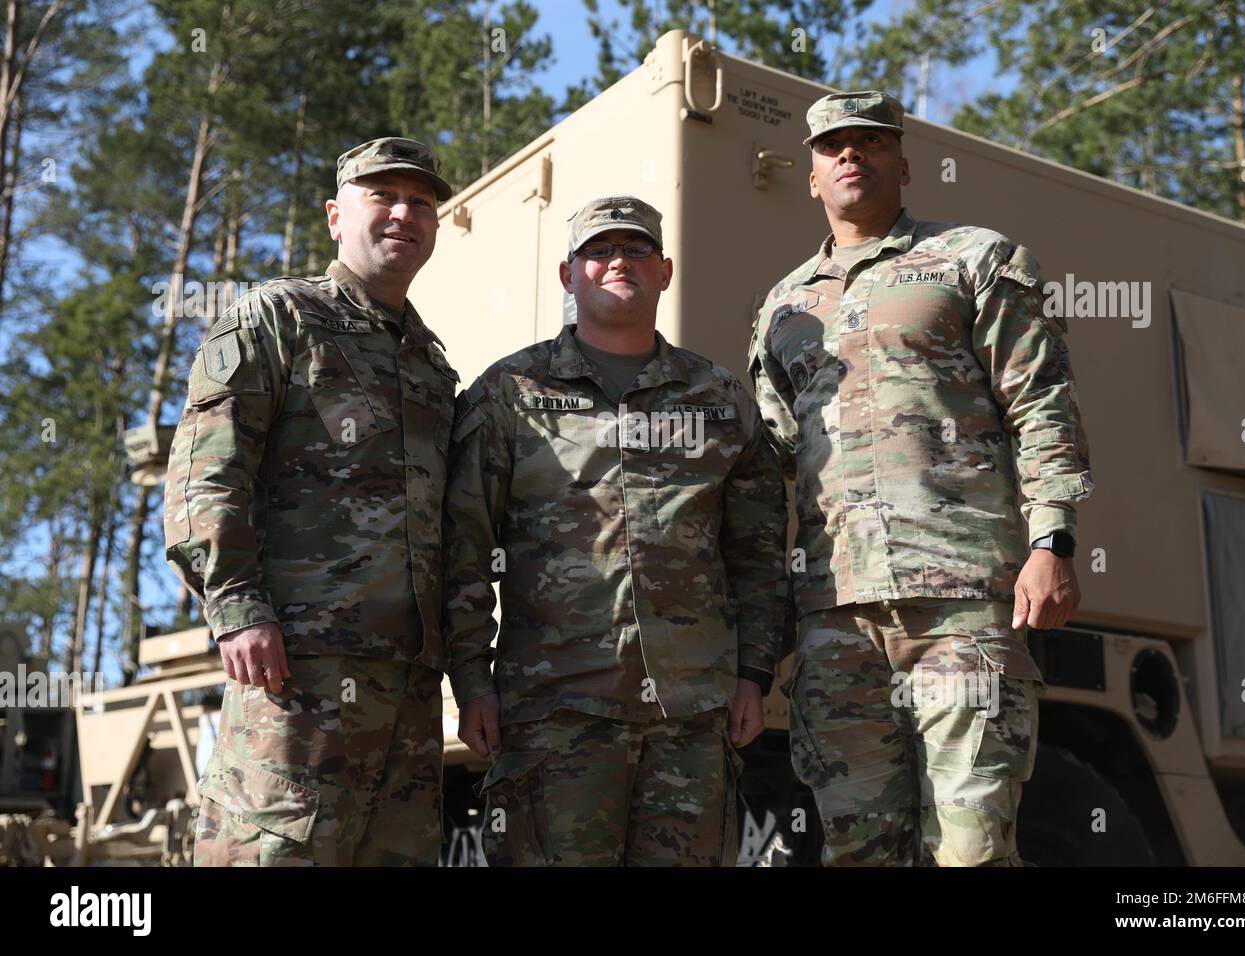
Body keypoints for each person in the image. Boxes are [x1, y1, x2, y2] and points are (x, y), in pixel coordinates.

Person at [749, 92, 1093, 866]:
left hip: (965, 600)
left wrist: (1054, 538)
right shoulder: (782, 307)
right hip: (836, 618)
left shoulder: (976, 258)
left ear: (903, 164)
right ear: (810, 176)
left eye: (871, 142)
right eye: (833, 145)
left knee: (970, 846)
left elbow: (1040, 403)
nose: (850, 155)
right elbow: (769, 465)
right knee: (857, 847)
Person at [443, 195, 788, 866]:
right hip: (553, 712)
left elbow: (758, 552)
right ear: (569, 275)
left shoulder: (717, 399)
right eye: (599, 251)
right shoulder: (510, 393)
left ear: (664, 271)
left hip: (691, 717)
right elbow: (462, 548)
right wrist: (471, 681)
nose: (617, 262)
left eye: (634, 250)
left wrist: (754, 673)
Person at [164, 137, 458, 865]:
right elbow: (208, 469)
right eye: (382, 197)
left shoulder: (431, 364)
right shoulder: (278, 318)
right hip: (295, 672)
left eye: (421, 203)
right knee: (272, 854)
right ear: (335, 215)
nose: (404, 214)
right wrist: (236, 608)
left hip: (410, 689)